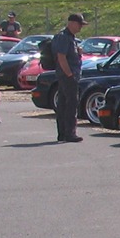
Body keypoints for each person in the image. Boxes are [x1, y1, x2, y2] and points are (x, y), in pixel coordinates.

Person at [51, 11, 85, 141]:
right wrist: (69, 74)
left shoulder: (70, 37)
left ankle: (64, 133)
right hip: (67, 76)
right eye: (79, 24)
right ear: (71, 23)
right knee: (70, 105)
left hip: (68, 75)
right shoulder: (64, 37)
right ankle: (69, 133)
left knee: (65, 104)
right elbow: (61, 57)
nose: (80, 27)